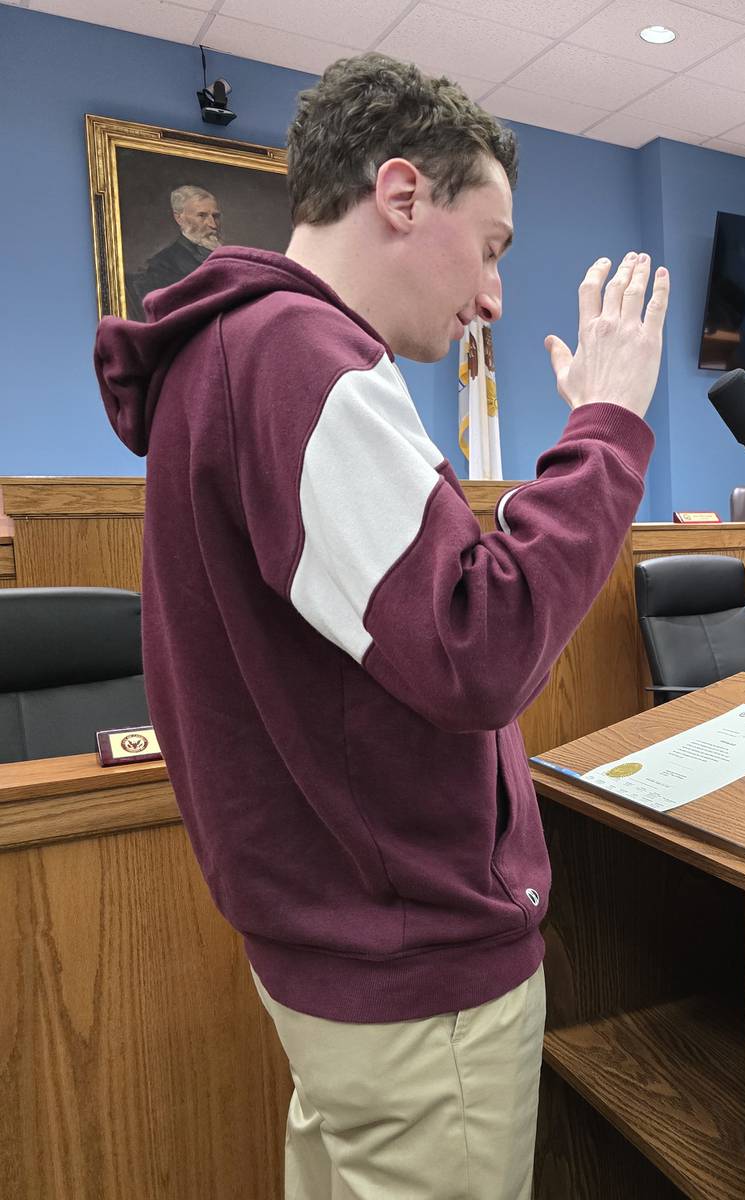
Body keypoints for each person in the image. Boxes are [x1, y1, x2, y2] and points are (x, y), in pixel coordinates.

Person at [93, 52, 669, 1200]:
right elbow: (480, 644)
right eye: (493, 246)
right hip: (412, 961)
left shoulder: (227, 353)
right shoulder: (301, 358)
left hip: (339, 940)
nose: (495, 297)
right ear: (402, 195)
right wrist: (604, 429)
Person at [127, 184, 222, 319]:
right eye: (202, 216)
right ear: (179, 218)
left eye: (215, 216)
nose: (213, 225)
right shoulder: (162, 265)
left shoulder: (225, 257)